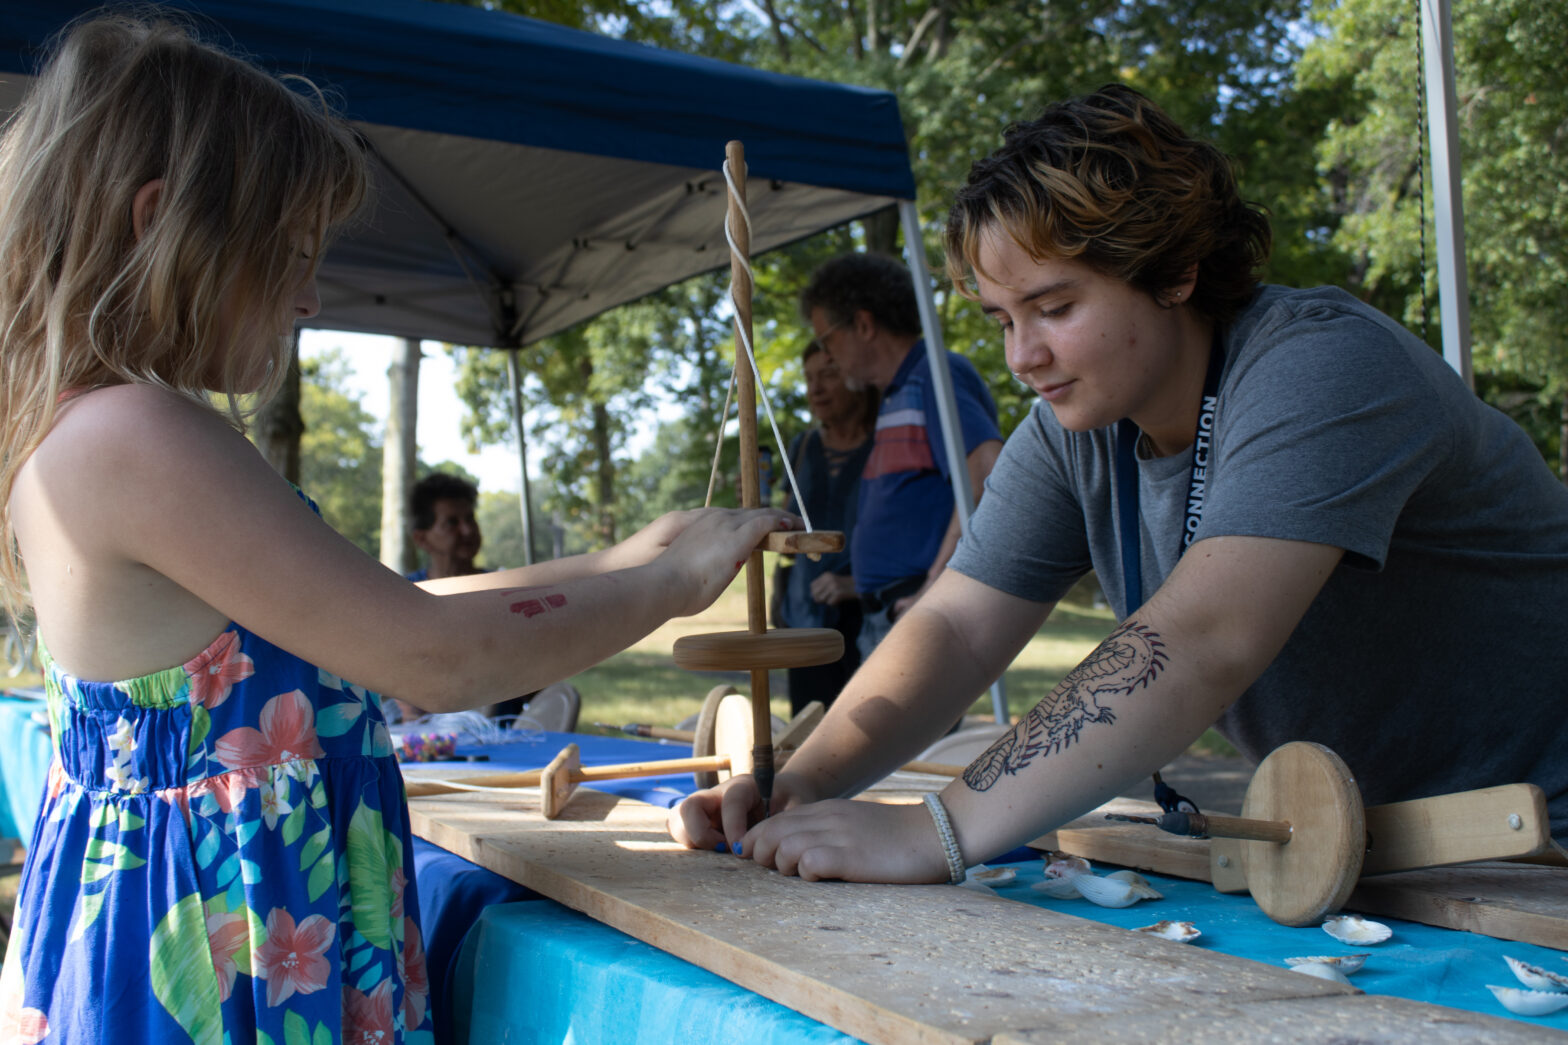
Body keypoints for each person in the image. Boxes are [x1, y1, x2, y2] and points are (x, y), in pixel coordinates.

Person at [0, 15, 794, 1043]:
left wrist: (624, 555)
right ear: (160, 226)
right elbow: (432, 652)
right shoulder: (136, 435)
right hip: (223, 944)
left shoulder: (92, 427)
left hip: (217, 918)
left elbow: (371, 614)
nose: (309, 296)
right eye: (287, 257)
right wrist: (671, 586)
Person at [670, 83, 1568, 883]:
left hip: (1544, 847)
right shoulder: (1078, 427)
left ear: (1176, 269)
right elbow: (954, 625)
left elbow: (1204, 636)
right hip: (1379, 859)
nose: (1024, 356)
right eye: (1002, 318)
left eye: (1057, 308)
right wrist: (802, 782)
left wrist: (935, 829)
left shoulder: (1323, 366)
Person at [800, 253, 1003, 658]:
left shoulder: (934, 373)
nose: (827, 356)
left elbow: (984, 473)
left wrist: (932, 589)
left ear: (863, 324)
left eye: (827, 341)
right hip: (885, 613)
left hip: (918, 610)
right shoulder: (895, 392)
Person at [774, 341, 877, 713]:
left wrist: (855, 586)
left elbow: (911, 536)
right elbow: (785, 526)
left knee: (867, 736)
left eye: (828, 375)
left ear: (855, 378)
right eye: (809, 378)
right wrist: (752, 506)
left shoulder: (888, 444)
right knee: (807, 734)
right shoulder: (802, 446)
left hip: (869, 623)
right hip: (805, 622)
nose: (814, 388)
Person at [407, 473, 484, 582]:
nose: (468, 531)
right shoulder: (402, 593)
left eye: (470, 519)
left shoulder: (504, 587)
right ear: (421, 539)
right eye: (452, 523)